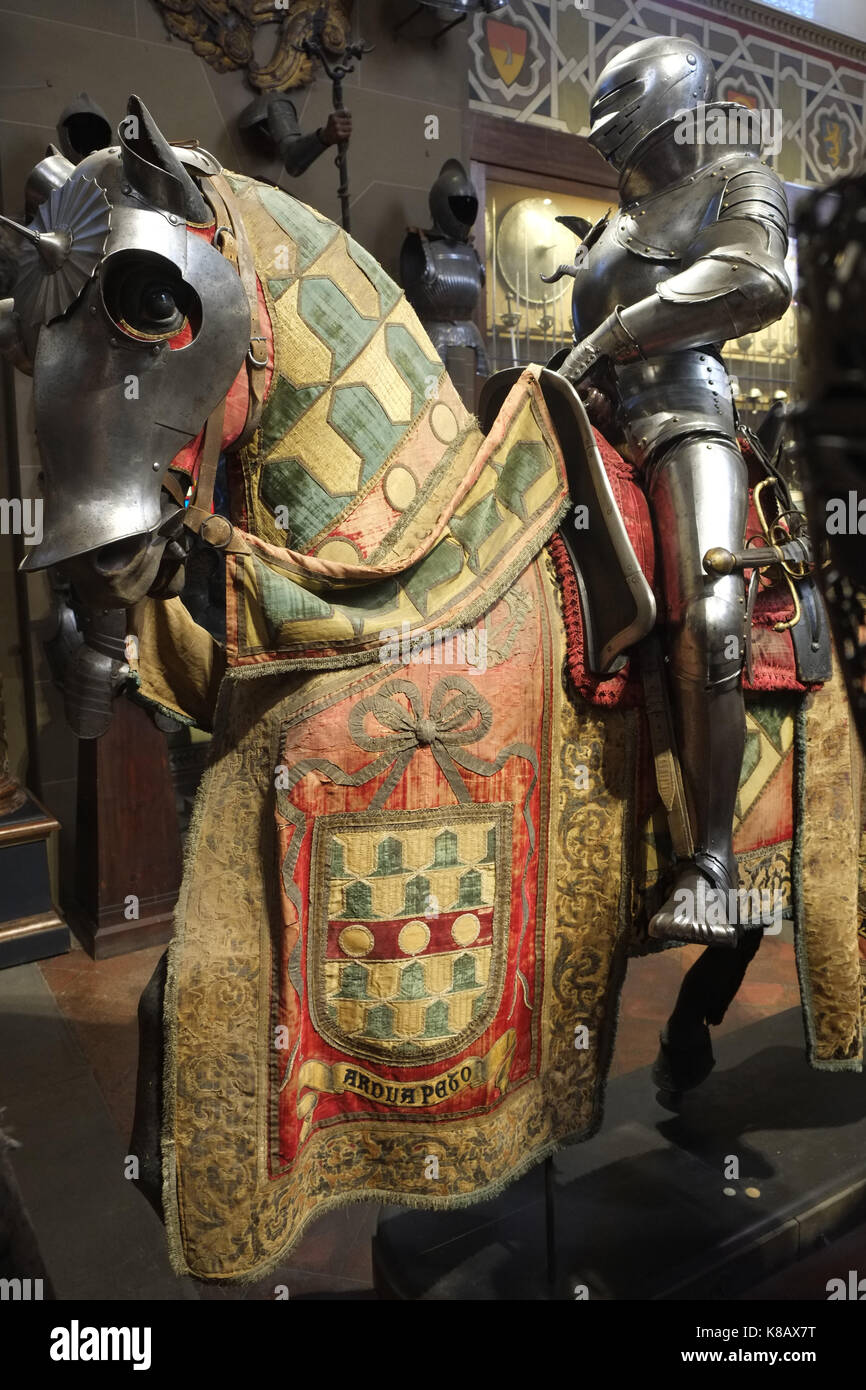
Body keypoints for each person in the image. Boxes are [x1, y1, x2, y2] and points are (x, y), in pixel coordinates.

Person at [558, 37, 792, 947]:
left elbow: (757, 278)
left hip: (687, 416)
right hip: (596, 425)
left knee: (710, 613)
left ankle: (712, 862)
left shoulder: (741, 176)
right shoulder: (614, 224)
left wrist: (614, 335)